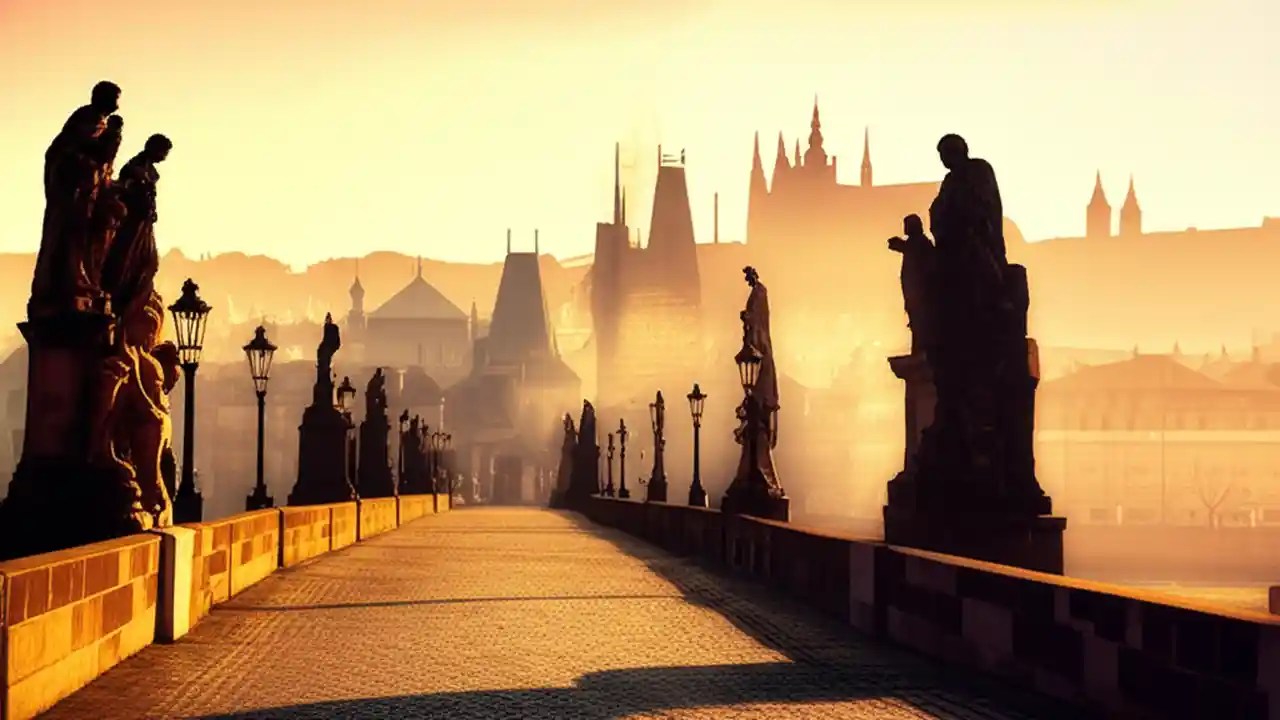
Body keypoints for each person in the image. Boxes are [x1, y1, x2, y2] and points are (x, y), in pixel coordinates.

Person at [888, 214, 938, 353]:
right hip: (913, 293)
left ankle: (921, 349)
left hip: (919, 293)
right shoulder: (916, 243)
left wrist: (899, 244)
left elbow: (909, 250)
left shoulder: (920, 243)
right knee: (916, 322)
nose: (905, 228)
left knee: (920, 323)